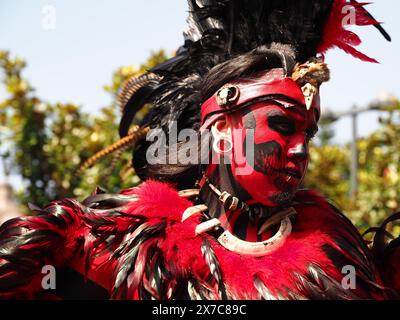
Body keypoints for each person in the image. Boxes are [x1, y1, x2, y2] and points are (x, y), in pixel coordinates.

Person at [0, 0, 398, 300]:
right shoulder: (123, 249)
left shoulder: (335, 249)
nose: (299, 150)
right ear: (221, 128)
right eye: (282, 125)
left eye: (308, 134)